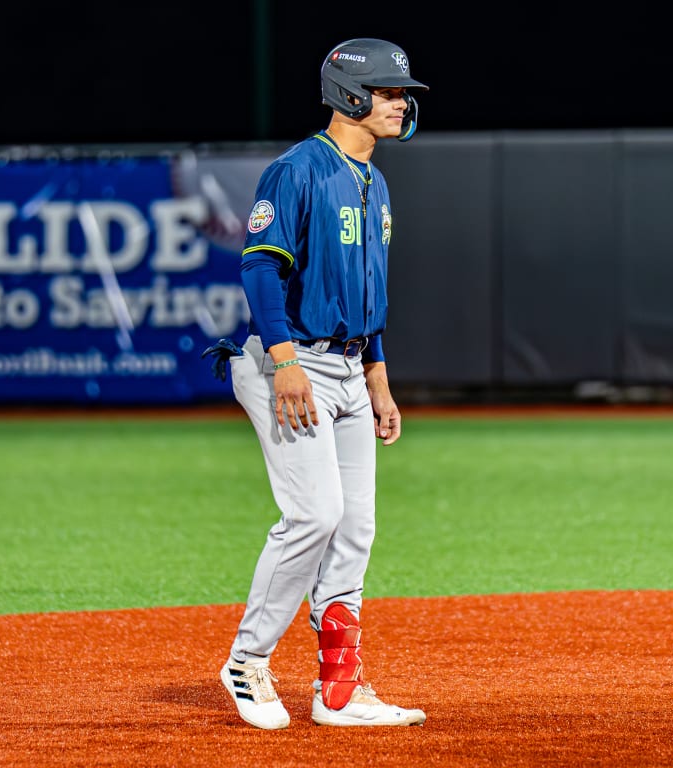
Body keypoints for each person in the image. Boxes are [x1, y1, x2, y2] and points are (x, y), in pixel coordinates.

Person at [202, 37, 428, 729]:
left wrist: (378, 377)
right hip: (290, 364)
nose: (401, 103)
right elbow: (260, 268)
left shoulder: (373, 180)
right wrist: (287, 362)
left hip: (351, 369)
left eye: (402, 93)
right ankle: (247, 661)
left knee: (355, 527)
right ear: (351, 96)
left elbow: (370, 292)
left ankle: (339, 689)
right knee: (315, 516)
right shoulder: (297, 170)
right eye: (391, 92)